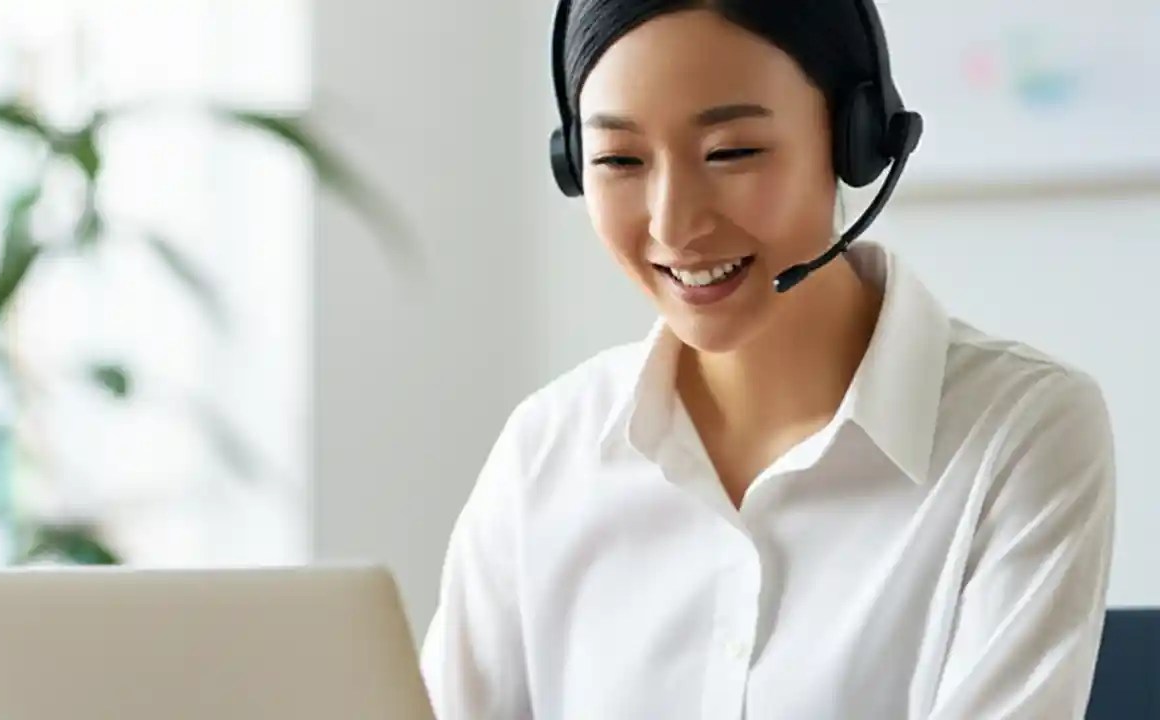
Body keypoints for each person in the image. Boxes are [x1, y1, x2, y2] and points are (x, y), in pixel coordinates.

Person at [420, 1, 1116, 718]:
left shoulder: (1018, 431)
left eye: (731, 152)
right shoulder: (546, 449)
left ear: (855, 141)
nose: (674, 223)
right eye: (619, 160)